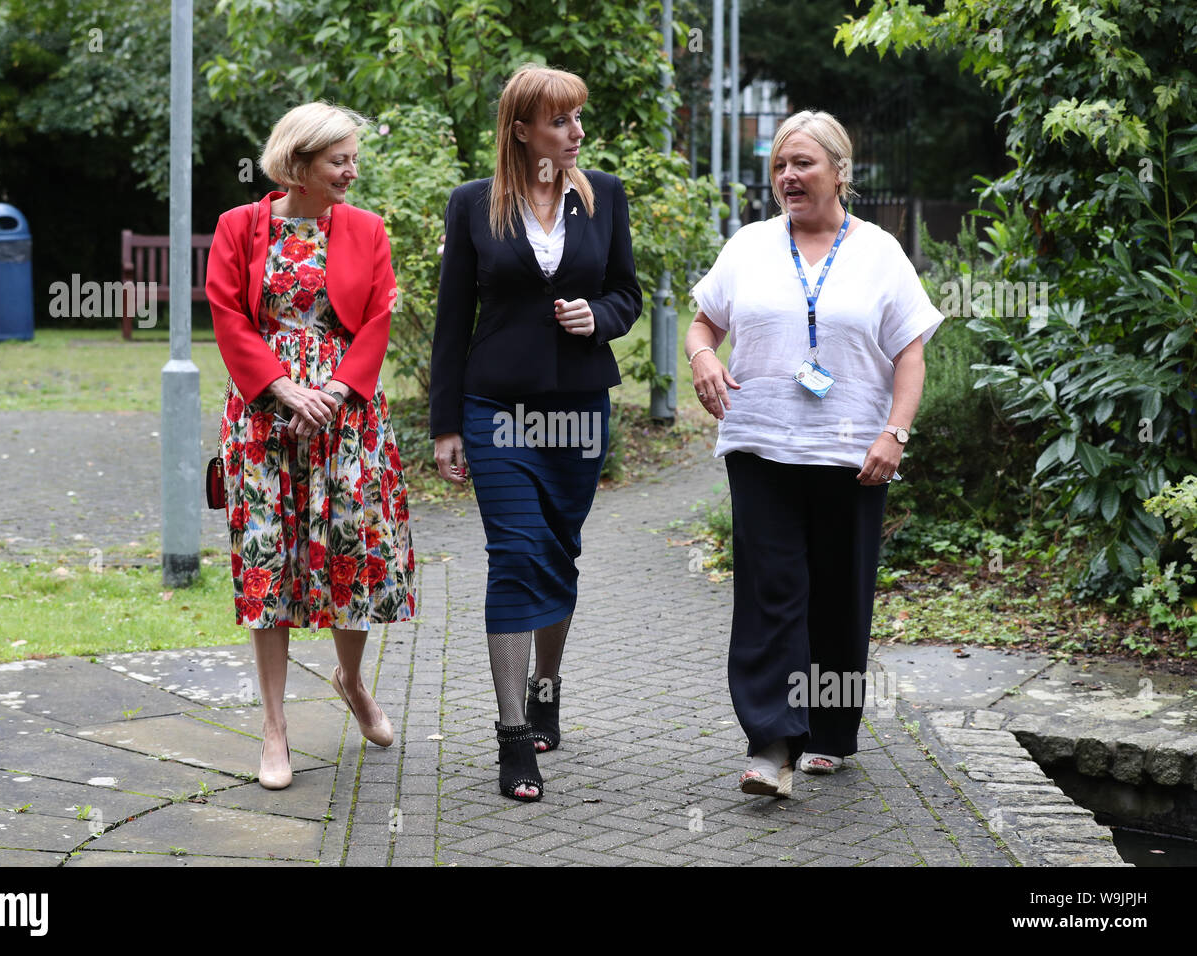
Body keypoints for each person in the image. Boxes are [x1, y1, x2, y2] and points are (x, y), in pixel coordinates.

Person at [685, 110, 942, 797]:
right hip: (761, 442)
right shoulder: (748, 246)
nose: (788, 177)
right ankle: (771, 743)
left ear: (839, 171)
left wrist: (896, 432)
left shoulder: (880, 252)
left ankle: (829, 728)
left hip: (853, 450)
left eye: (803, 164)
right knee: (771, 592)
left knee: (839, 590)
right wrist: (704, 355)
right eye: (778, 167)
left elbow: (910, 354)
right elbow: (703, 320)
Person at [430, 65, 642, 802]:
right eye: (560, 121)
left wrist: (600, 317)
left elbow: (627, 293)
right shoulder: (472, 205)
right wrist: (446, 425)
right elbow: (453, 317)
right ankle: (514, 734)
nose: (576, 133)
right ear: (522, 130)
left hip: (580, 408)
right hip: (499, 408)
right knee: (514, 556)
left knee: (559, 555)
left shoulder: (604, 197)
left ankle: (548, 685)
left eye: (580, 118)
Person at [206, 102, 416, 791]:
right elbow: (228, 313)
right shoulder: (240, 226)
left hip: (346, 415)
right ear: (298, 165)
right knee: (269, 564)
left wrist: (329, 392)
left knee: (351, 553)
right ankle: (274, 729)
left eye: (353, 158)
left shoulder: (367, 230)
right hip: (264, 420)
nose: (352, 171)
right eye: (339, 161)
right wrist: (282, 391)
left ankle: (351, 681)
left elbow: (380, 314)